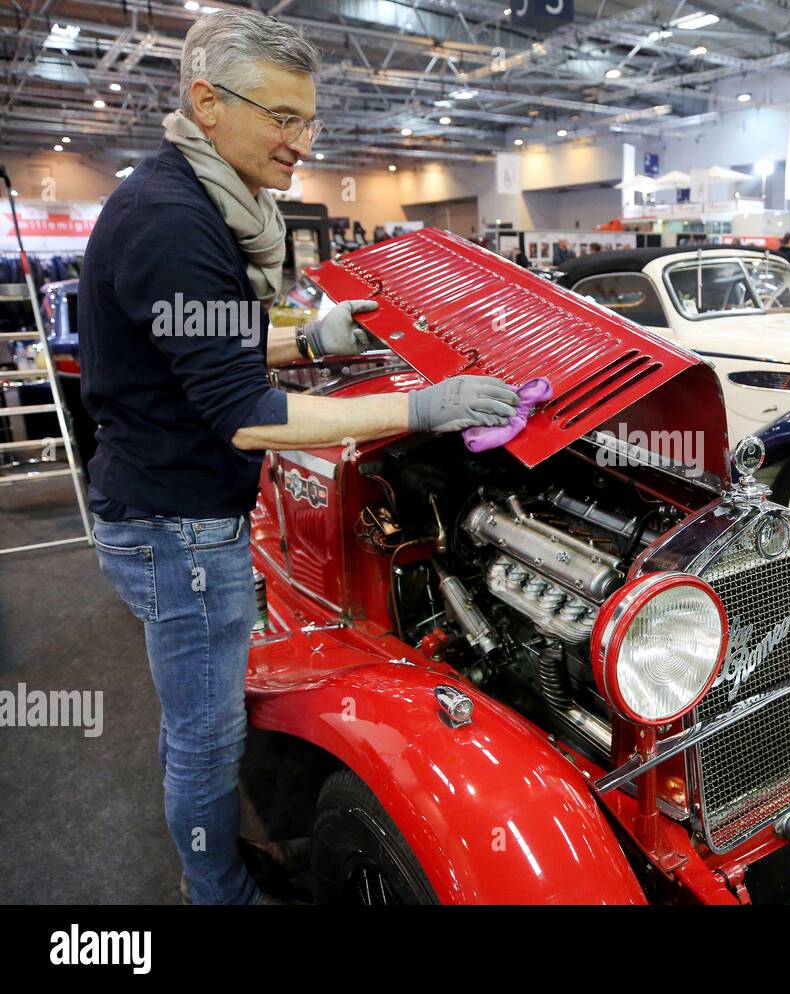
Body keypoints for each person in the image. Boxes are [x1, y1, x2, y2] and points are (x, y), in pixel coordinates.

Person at [78, 8, 519, 906]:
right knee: (204, 737)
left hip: (162, 507)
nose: (300, 143)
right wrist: (421, 404)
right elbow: (244, 414)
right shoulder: (174, 222)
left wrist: (317, 341)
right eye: (281, 119)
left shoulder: (187, 199)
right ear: (207, 103)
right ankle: (219, 893)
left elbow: (208, 342)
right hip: (177, 527)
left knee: (198, 720)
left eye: (307, 121)